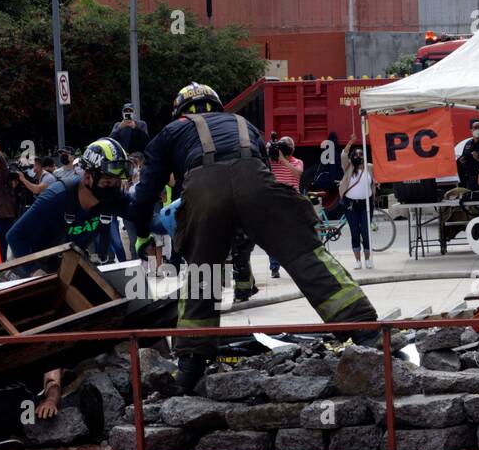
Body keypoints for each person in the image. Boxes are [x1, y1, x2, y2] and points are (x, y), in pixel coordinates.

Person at [131, 82, 379, 392]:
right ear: (217, 105)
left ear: (180, 111)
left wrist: (142, 235)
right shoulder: (243, 123)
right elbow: (256, 171)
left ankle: (191, 366)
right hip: (258, 184)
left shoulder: (171, 132)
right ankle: (367, 330)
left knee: (201, 275)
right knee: (305, 255)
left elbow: (143, 196)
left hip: (205, 192)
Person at [5, 138, 135, 262]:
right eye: (108, 182)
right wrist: (34, 271)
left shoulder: (114, 197)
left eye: (118, 182)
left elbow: (142, 213)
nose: (114, 189)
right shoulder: (56, 196)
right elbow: (14, 236)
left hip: (67, 264)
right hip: (34, 264)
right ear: (88, 177)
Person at [267, 135, 303, 277]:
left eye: (287, 144)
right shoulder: (272, 161)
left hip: (293, 203)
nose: (285, 145)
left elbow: (298, 173)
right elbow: (262, 156)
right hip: (275, 203)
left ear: (292, 148)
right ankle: (274, 268)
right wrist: (270, 147)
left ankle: (295, 265)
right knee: (273, 237)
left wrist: (283, 160)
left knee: (294, 237)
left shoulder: (297, 162)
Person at [340, 139, 376, 268]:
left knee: (366, 232)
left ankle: (367, 259)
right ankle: (357, 260)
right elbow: (343, 155)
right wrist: (350, 143)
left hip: (366, 204)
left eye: (361, 154)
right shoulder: (348, 167)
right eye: (356, 154)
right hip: (350, 204)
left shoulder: (370, 167)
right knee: (354, 232)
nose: (358, 156)